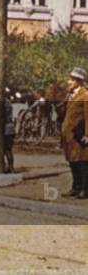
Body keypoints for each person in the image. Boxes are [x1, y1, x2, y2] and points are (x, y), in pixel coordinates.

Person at [60, 67, 88, 198]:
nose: (69, 82)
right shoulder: (71, 96)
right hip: (69, 136)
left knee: (82, 162)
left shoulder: (85, 95)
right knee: (73, 162)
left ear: (79, 81)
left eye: (72, 80)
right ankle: (75, 187)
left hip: (78, 136)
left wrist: (87, 134)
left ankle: (84, 189)